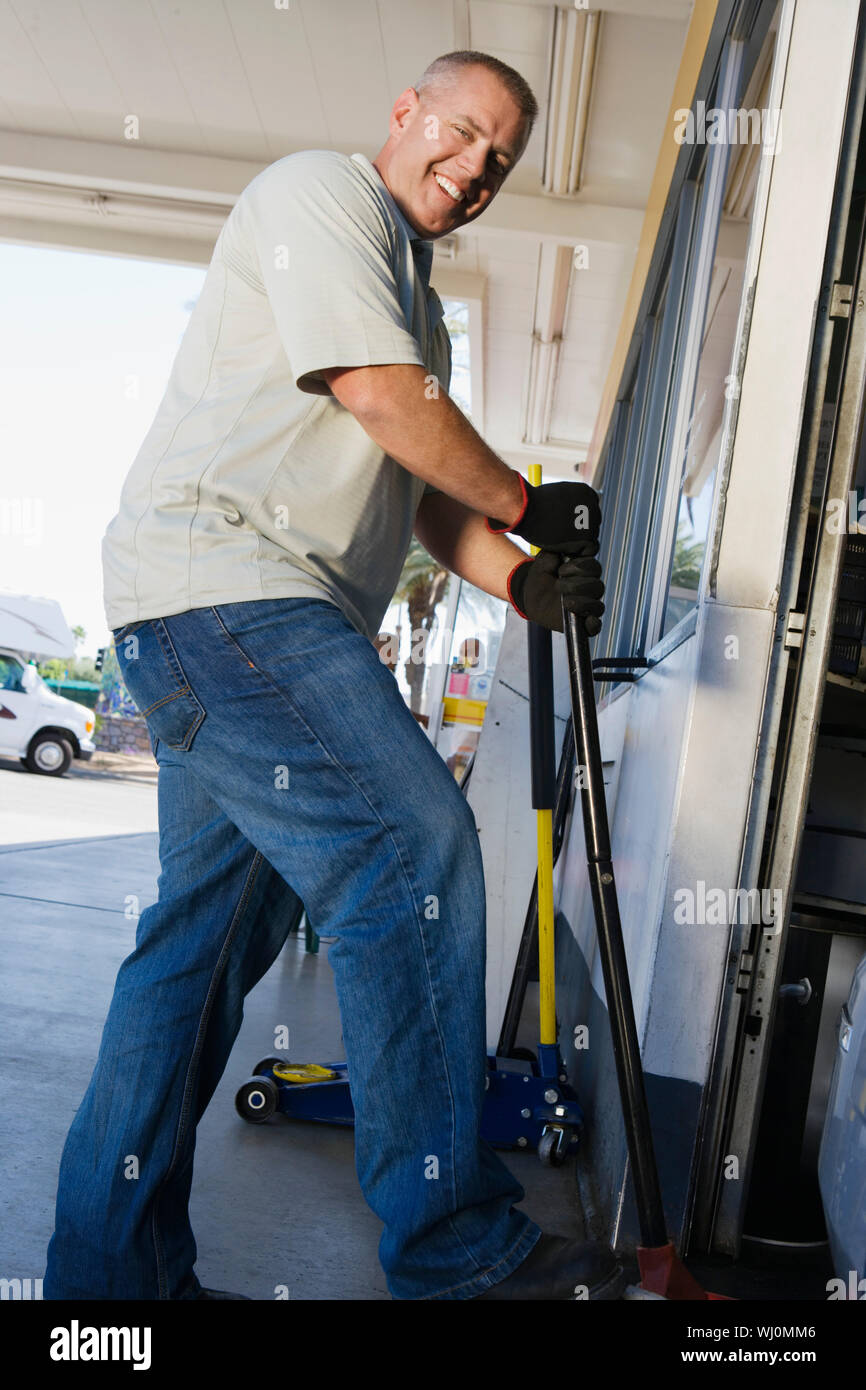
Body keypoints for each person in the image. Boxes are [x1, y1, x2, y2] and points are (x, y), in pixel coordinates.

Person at [44, 49, 616, 1302]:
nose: (469, 171)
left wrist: (518, 573)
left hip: (230, 627)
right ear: (404, 114)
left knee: (189, 965)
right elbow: (376, 398)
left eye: (496, 163)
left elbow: (418, 492)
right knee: (412, 848)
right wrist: (531, 499)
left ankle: (105, 1295)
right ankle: (456, 1248)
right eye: (457, 134)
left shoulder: (417, 310)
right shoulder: (321, 196)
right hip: (233, 599)